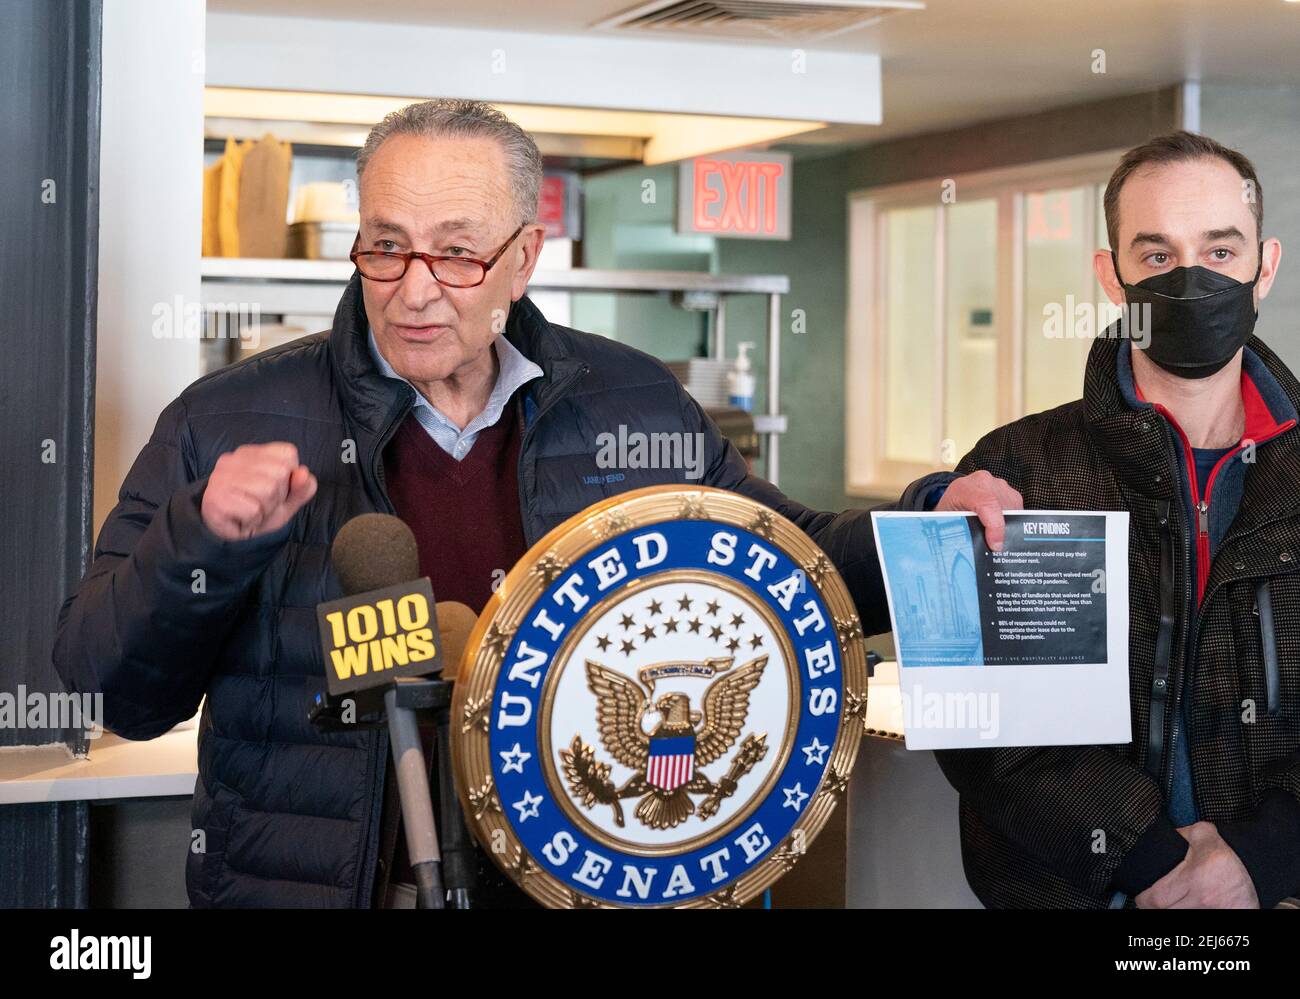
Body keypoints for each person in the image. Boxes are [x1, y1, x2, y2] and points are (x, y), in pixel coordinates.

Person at [53, 99, 1014, 908]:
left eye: (457, 254)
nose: (415, 290)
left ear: (525, 256)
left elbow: (783, 556)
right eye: (386, 247)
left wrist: (934, 527)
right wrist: (203, 541)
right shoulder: (228, 418)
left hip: (593, 885)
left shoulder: (632, 400)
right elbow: (112, 687)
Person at [917, 131, 1300, 909]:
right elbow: (990, 725)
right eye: (1157, 256)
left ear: (1265, 264)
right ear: (1110, 275)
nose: (1191, 279)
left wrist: (1261, 858)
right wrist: (1152, 861)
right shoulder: (1022, 468)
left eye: (1219, 252)